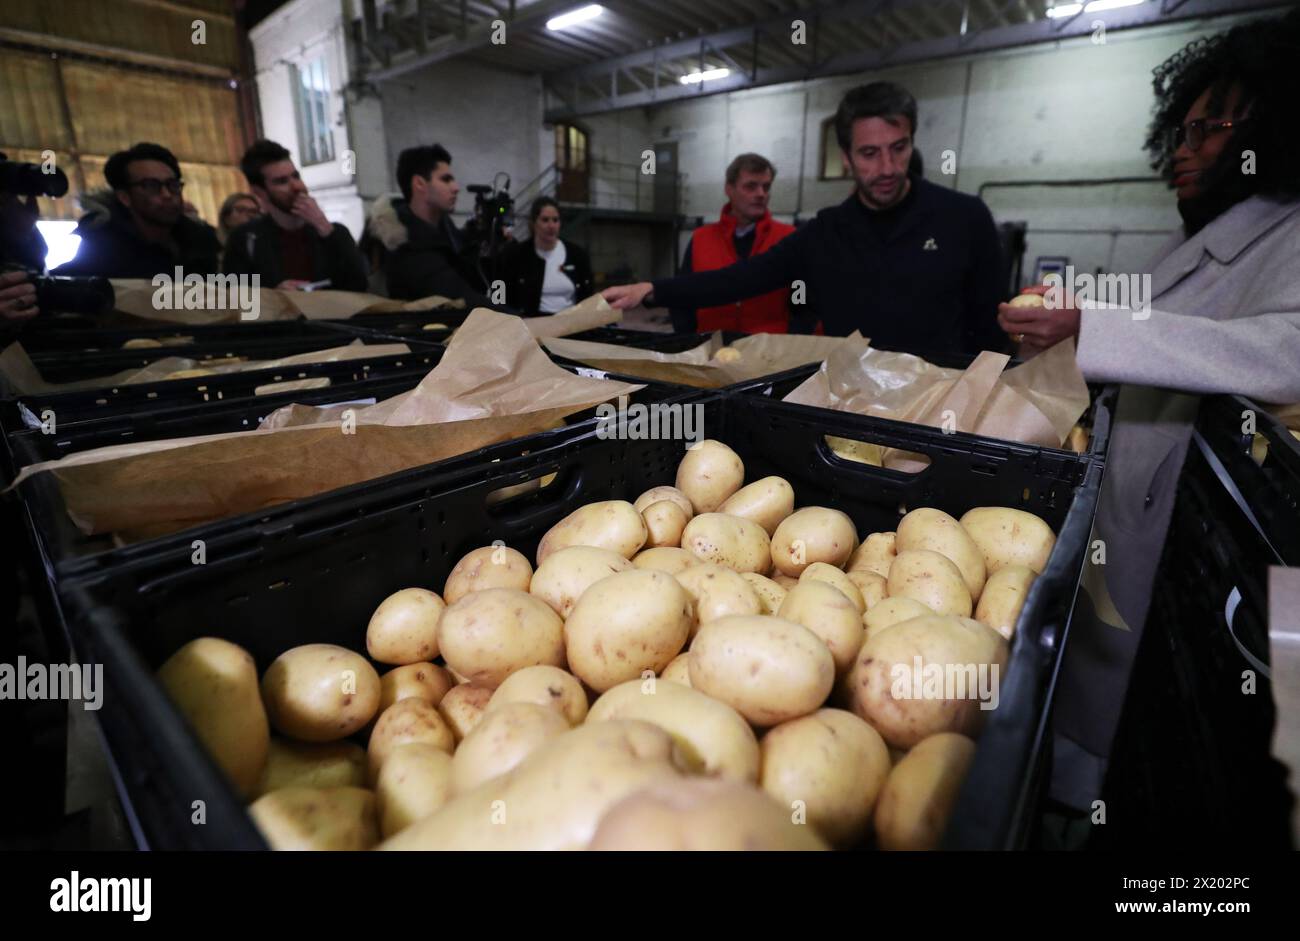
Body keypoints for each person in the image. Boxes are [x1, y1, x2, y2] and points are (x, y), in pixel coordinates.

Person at [995, 11, 1300, 823]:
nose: (1185, 147)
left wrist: (1087, 326)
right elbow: (1142, 334)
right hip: (1135, 517)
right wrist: (1059, 334)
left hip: (1198, 547)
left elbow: (1284, 349)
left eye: (1210, 128)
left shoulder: (1288, 238)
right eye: (1183, 128)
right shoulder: (1189, 240)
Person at [603, 82, 1006, 354]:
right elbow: (737, 279)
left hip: (944, 413)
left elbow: (991, 327)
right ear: (846, 158)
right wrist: (651, 290)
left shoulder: (964, 218)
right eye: (869, 154)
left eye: (898, 148)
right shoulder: (826, 233)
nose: (887, 167)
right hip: (850, 410)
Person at [668, 153, 799, 334]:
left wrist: (793, 337)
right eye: (751, 186)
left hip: (770, 354)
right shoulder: (701, 238)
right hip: (711, 350)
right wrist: (689, 338)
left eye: (766, 187)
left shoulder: (789, 237)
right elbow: (682, 295)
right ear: (729, 189)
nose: (761, 194)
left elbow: (802, 298)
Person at [52, 142, 220, 279]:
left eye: (173, 185)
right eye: (151, 186)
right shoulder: (104, 249)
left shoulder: (201, 241)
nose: (167, 195)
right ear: (125, 197)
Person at [362, 144, 500, 306]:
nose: (455, 188)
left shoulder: (446, 232)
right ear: (419, 183)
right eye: (445, 180)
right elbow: (460, 298)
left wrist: (487, 243)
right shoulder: (403, 244)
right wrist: (521, 321)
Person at [222, 140, 367, 291]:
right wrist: (274, 296)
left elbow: (360, 286)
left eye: (296, 176)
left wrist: (324, 227)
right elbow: (233, 299)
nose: (297, 187)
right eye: (282, 181)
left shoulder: (334, 232)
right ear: (260, 192)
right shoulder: (245, 239)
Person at [497, 197, 593, 315]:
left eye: (555, 220)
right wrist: (499, 314)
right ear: (533, 223)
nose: (551, 225)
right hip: (532, 324)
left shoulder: (578, 255)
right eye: (545, 220)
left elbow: (588, 295)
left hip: (570, 324)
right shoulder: (516, 254)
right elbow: (500, 290)